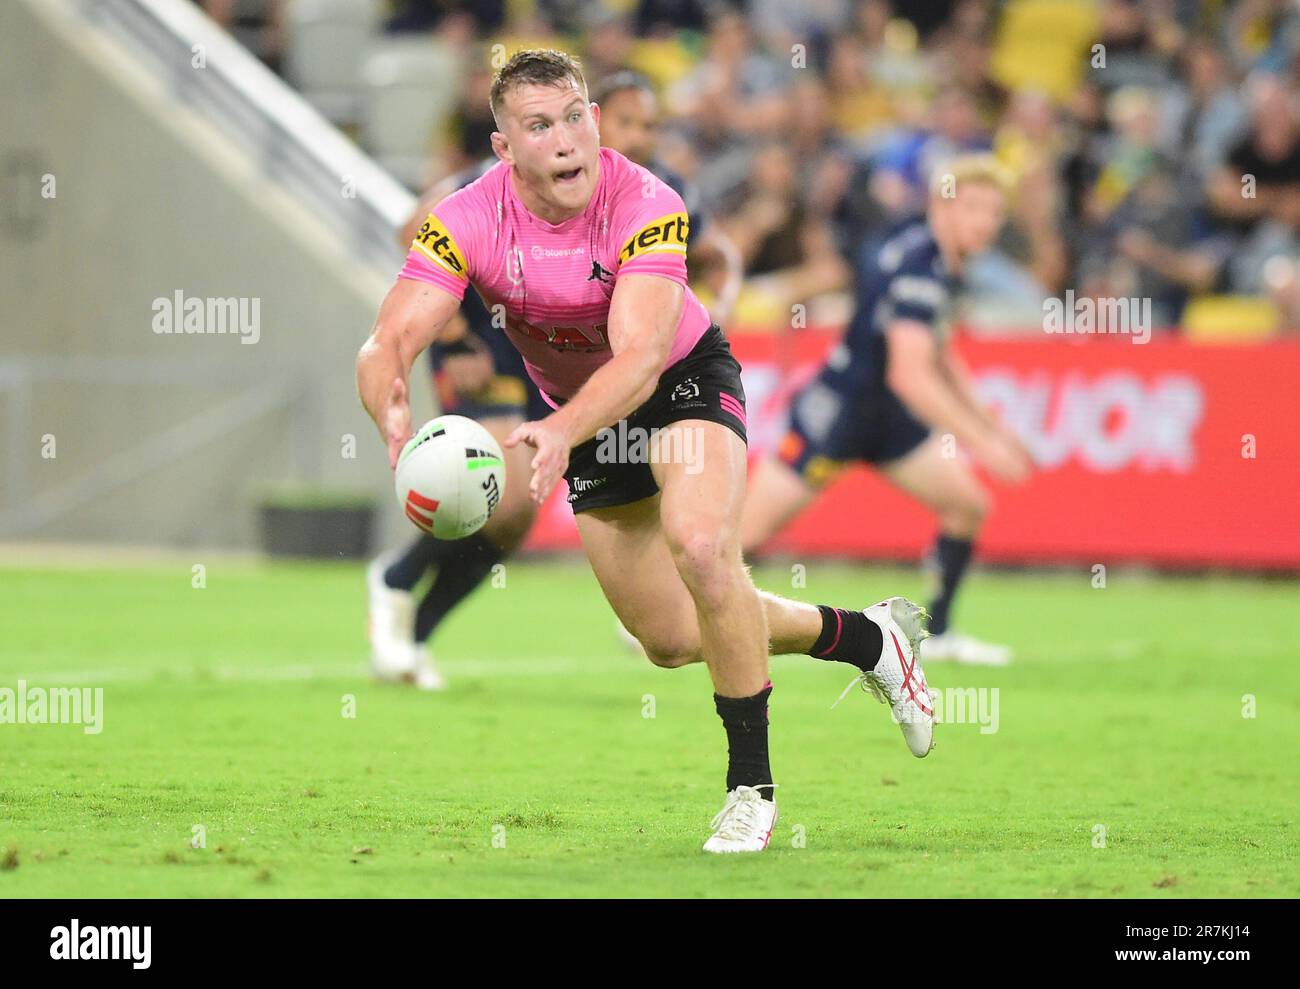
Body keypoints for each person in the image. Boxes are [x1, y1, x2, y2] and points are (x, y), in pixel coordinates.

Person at [357, 49, 936, 853]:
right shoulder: (465, 218)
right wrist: (385, 386)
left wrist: (558, 431)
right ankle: (872, 640)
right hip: (586, 417)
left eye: (573, 116)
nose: (564, 140)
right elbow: (392, 334)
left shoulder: (646, 198)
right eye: (538, 125)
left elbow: (640, 356)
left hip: (680, 381)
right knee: (670, 639)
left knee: (703, 549)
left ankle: (750, 790)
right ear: (503, 148)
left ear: (592, 118)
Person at [367, 71, 740, 689]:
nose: (639, 136)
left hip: (581, 359)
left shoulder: (654, 192)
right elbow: (415, 226)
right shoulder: (496, 187)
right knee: (506, 496)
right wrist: (456, 336)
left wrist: (716, 304)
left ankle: (416, 626)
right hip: (492, 344)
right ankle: (397, 581)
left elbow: (714, 255)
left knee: (514, 517)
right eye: (627, 122)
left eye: (648, 125)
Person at [741, 155, 1033, 666]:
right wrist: (983, 442)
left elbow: (938, 350)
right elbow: (910, 372)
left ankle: (938, 635)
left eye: (994, 211)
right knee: (749, 532)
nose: (986, 221)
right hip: (840, 413)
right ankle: (667, 614)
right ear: (942, 206)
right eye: (974, 207)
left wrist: (991, 424)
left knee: (967, 505)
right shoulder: (923, 267)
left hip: (888, 418)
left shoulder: (938, 255)